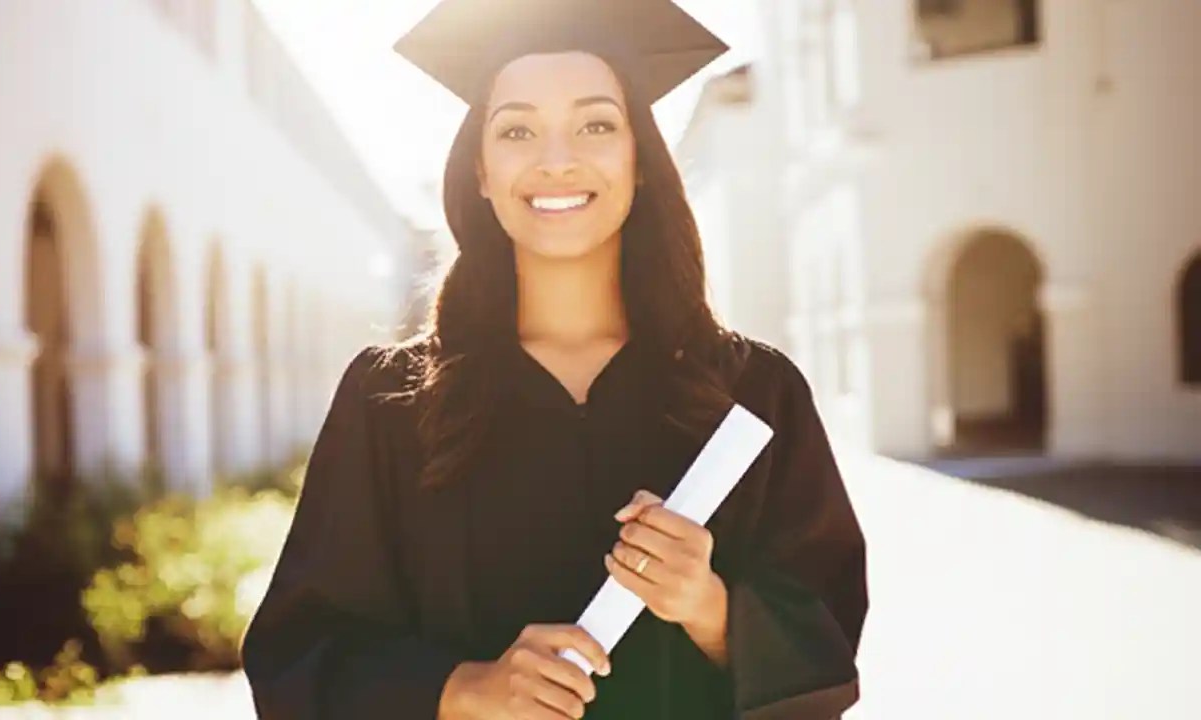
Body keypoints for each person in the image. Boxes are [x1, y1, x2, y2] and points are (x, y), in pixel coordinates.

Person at [241, 0, 868, 717]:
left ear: (640, 164)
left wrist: (712, 608)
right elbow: (298, 655)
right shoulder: (390, 403)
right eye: (516, 129)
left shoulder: (753, 393)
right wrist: (463, 690)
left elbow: (831, 638)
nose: (557, 158)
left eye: (597, 123)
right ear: (479, 169)